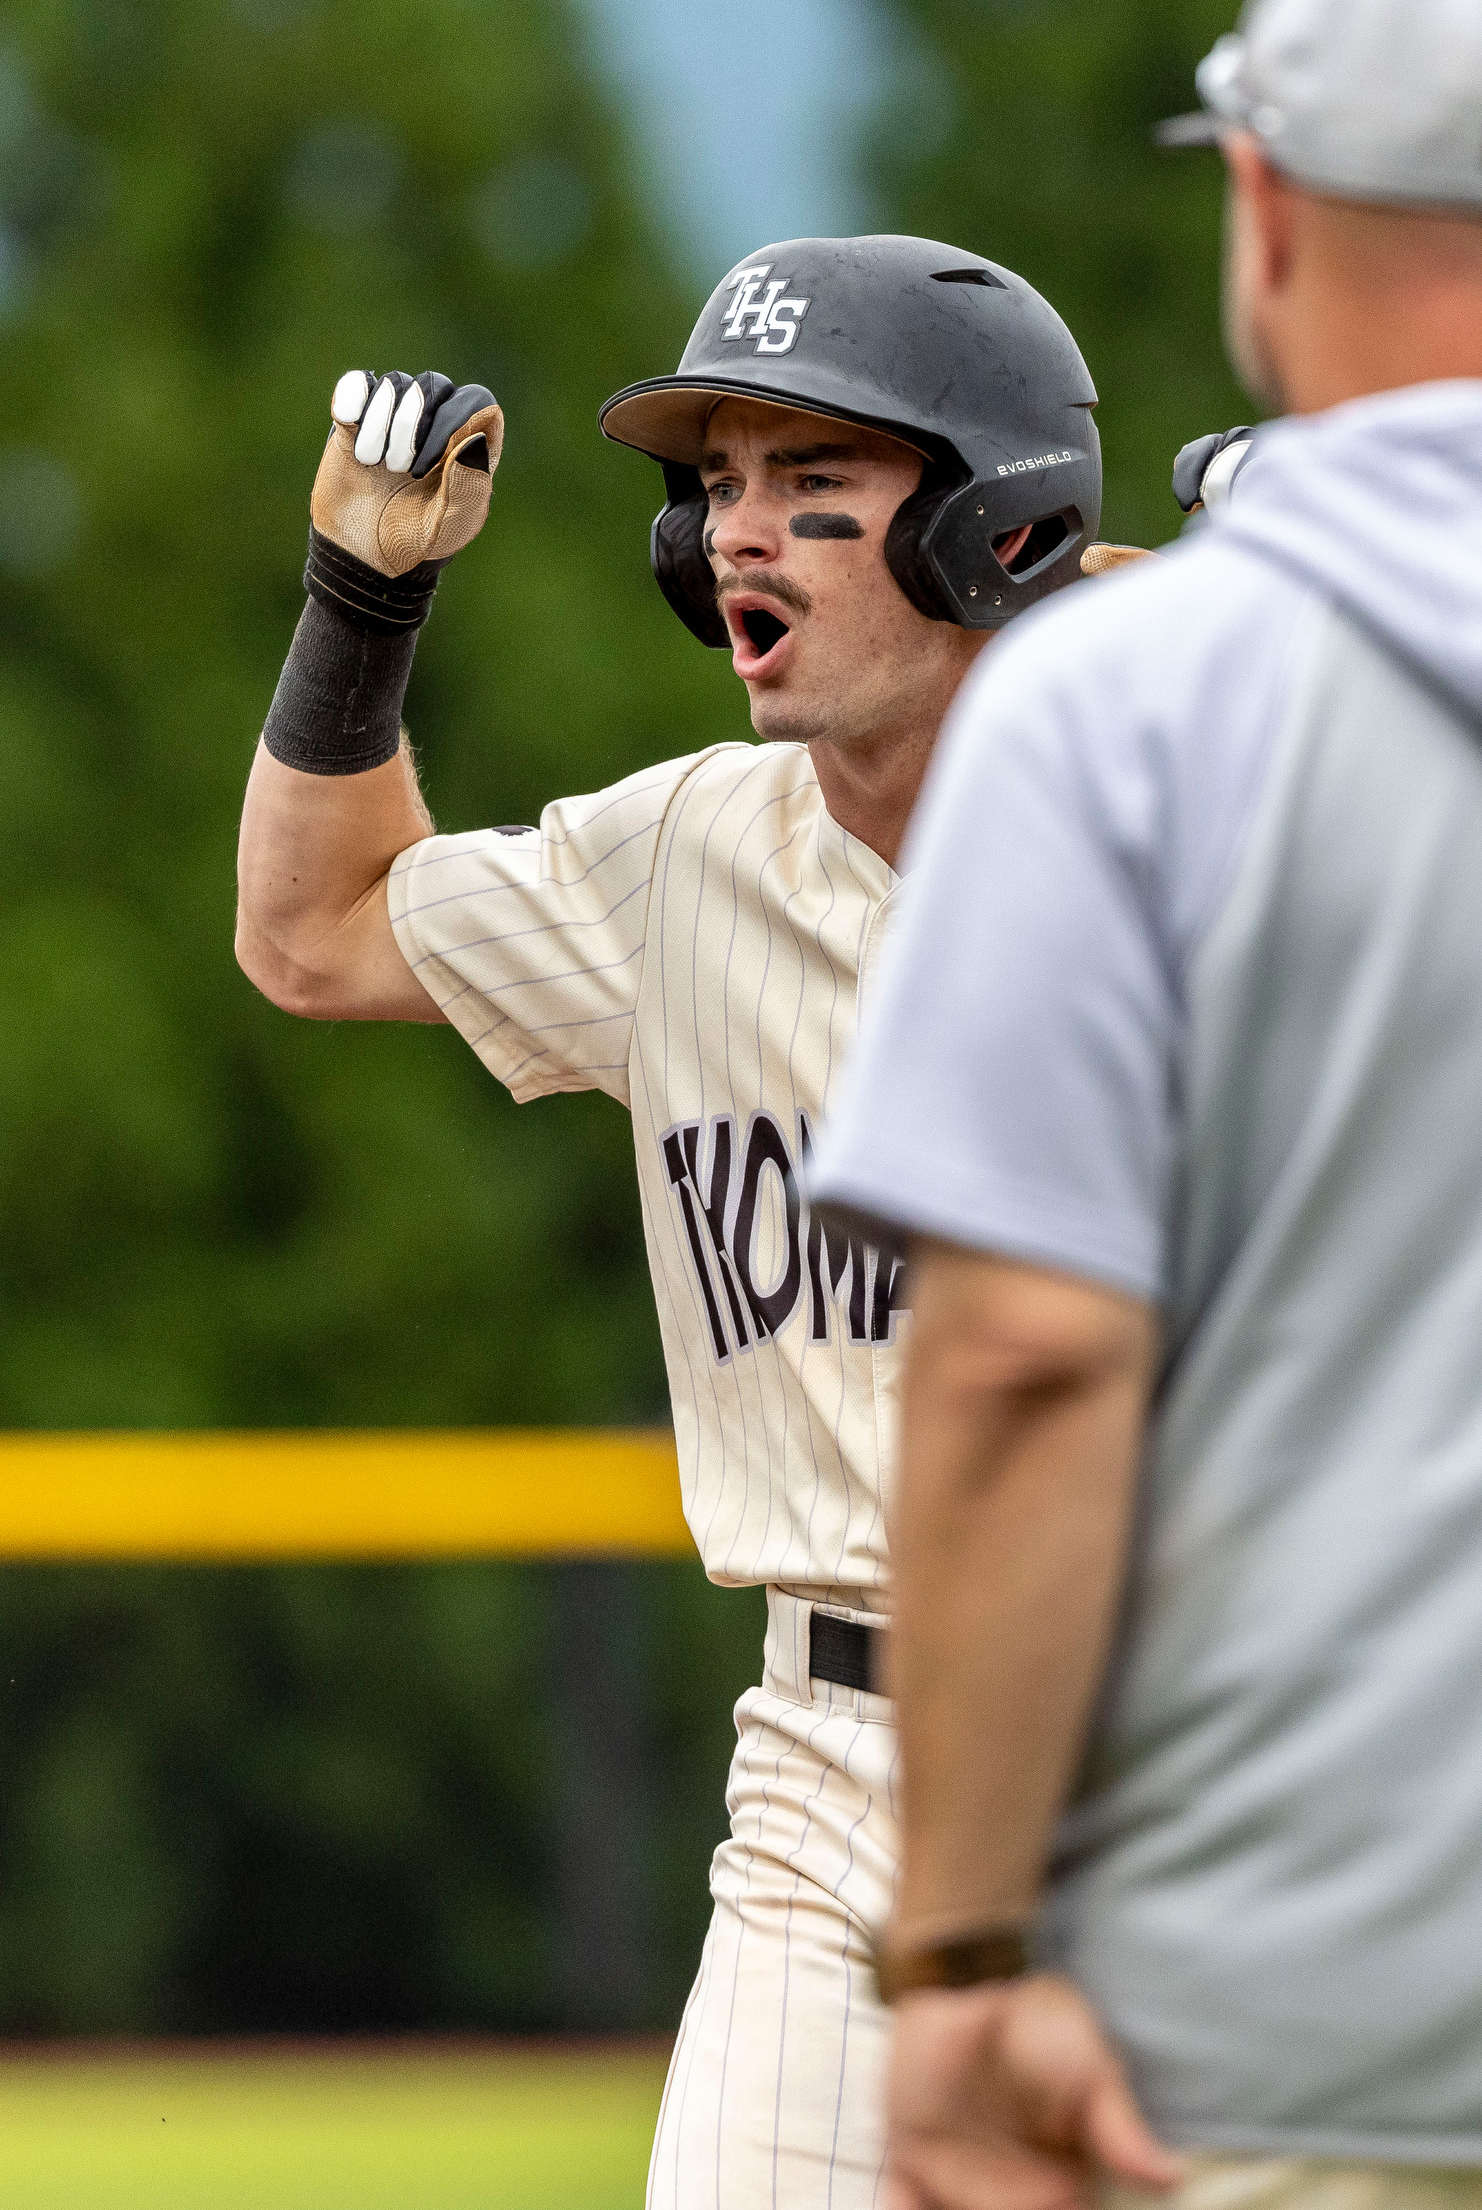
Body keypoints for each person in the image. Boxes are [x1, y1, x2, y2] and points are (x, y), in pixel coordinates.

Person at [233, 234, 1114, 2205]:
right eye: (714, 487)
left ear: (989, 522)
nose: (739, 534)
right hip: (834, 1773)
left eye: (817, 480)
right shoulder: (686, 855)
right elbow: (312, 934)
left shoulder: (1211, 823)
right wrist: (362, 597)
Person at [810, 0, 1482, 2208]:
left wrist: (958, 1954)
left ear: (1265, 208)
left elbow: (1022, 1362)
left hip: (1293, 2017)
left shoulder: (1131, 698)